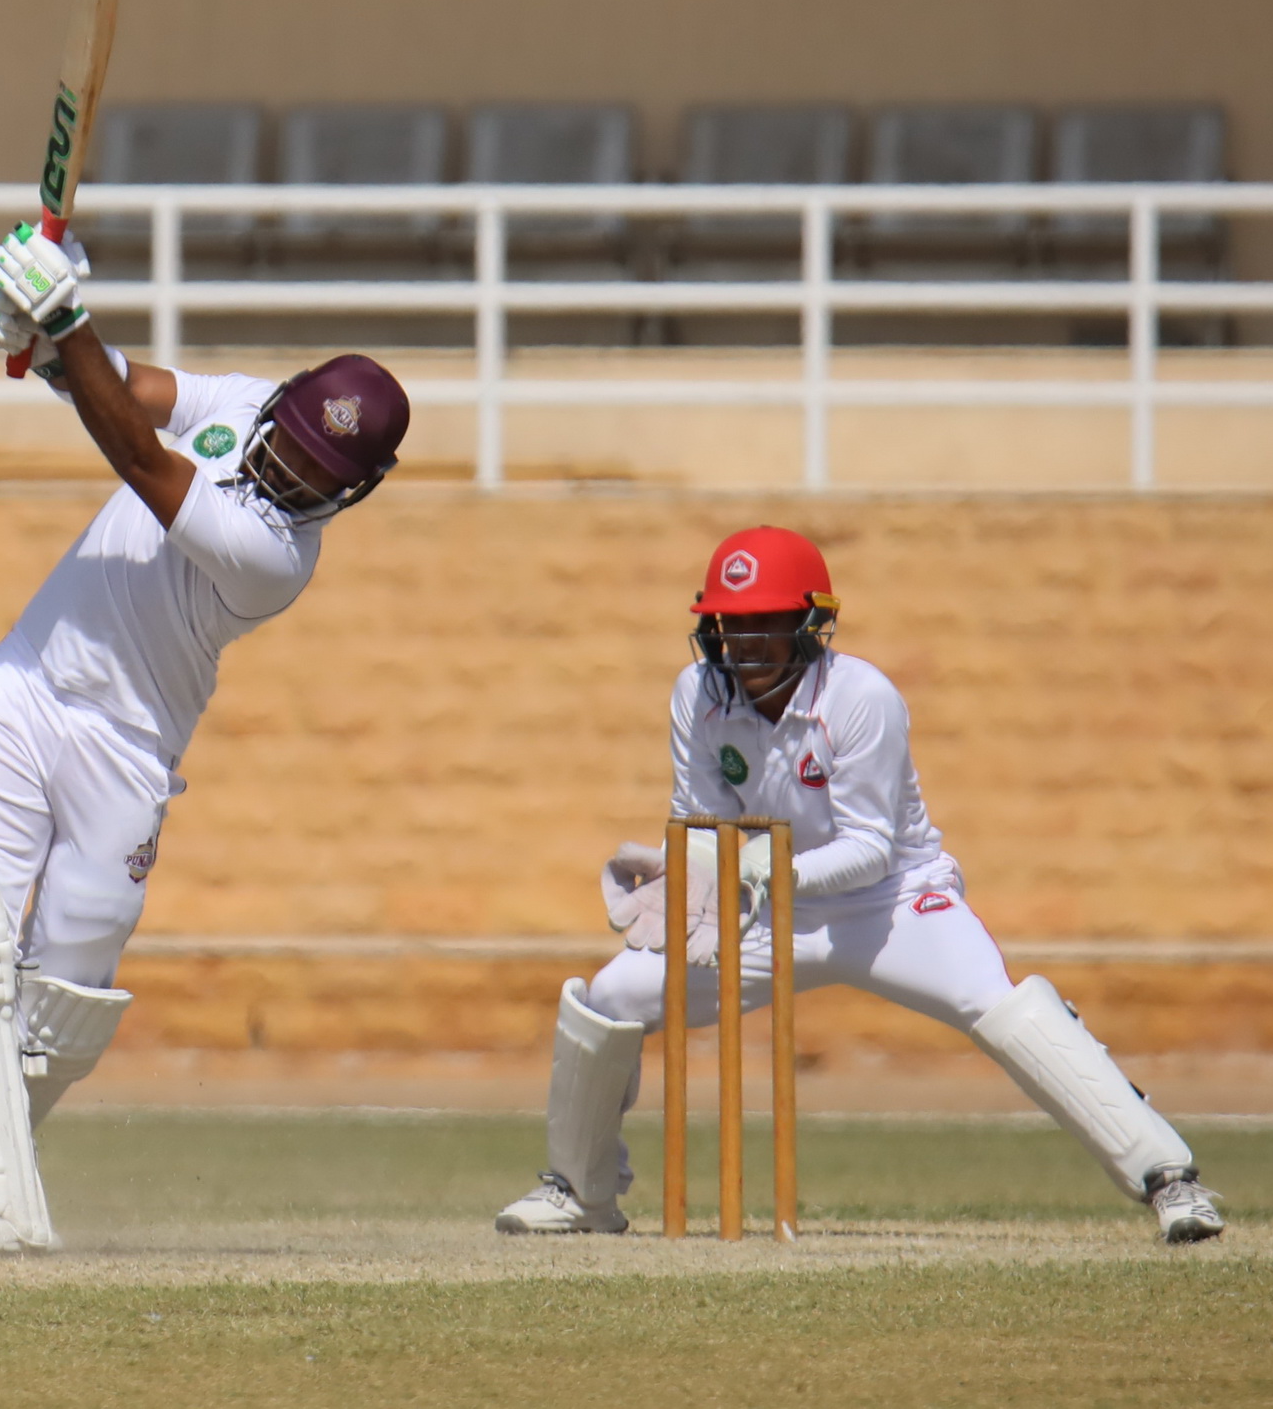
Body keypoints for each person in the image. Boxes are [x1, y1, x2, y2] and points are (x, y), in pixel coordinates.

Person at [0, 223, 409, 1254]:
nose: (287, 474)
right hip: (20, 691)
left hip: (128, 754)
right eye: (289, 445)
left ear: (348, 491)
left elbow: (135, 452)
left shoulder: (274, 555)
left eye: (315, 474)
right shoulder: (244, 399)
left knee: (65, 1005)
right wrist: (43, 337)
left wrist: (66, 318)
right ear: (284, 402)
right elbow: (127, 390)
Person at [495, 525, 1224, 1244]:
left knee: (998, 1005)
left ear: (812, 624)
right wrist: (685, 876)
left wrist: (758, 868)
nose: (744, 647)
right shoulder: (697, 692)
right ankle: (578, 1193)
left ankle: (1170, 1179)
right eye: (730, 626)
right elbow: (702, 819)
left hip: (891, 904)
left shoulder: (861, 696)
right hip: (763, 908)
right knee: (608, 997)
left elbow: (871, 849)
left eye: (764, 625)